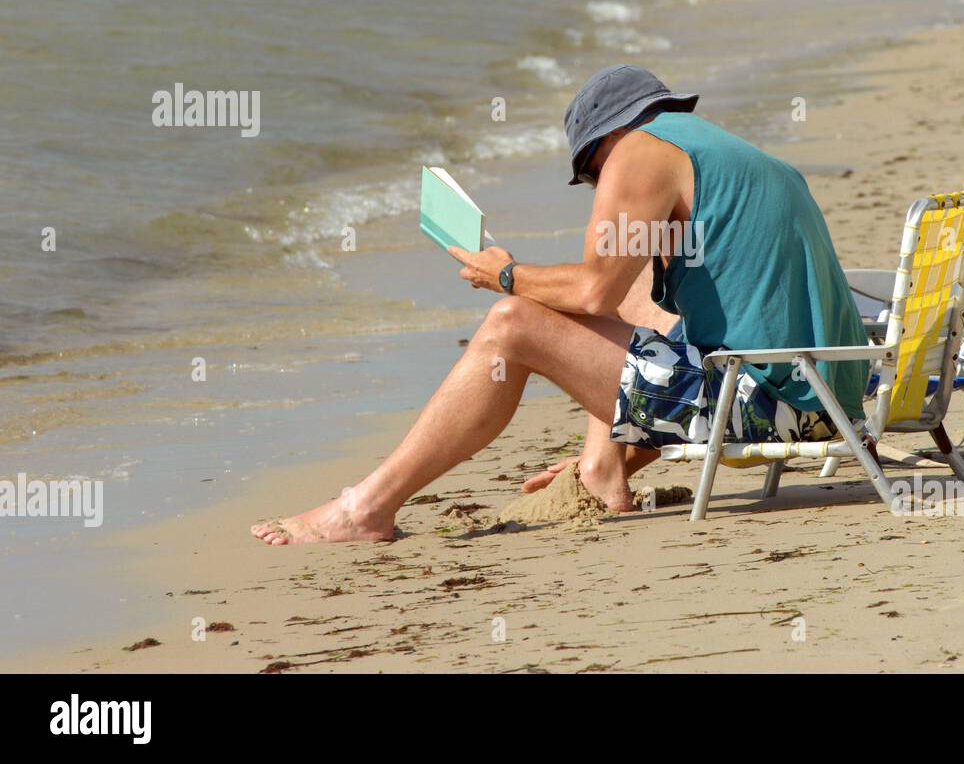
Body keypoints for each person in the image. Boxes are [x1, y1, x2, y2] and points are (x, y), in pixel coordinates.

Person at [251, 64, 867, 544]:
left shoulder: (639, 153)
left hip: (770, 407)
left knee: (511, 324)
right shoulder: (730, 155)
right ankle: (603, 469)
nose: (599, 189)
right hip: (824, 394)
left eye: (591, 177)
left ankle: (367, 509)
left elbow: (592, 289)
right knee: (621, 299)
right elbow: (623, 303)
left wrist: (508, 275)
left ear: (602, 146)